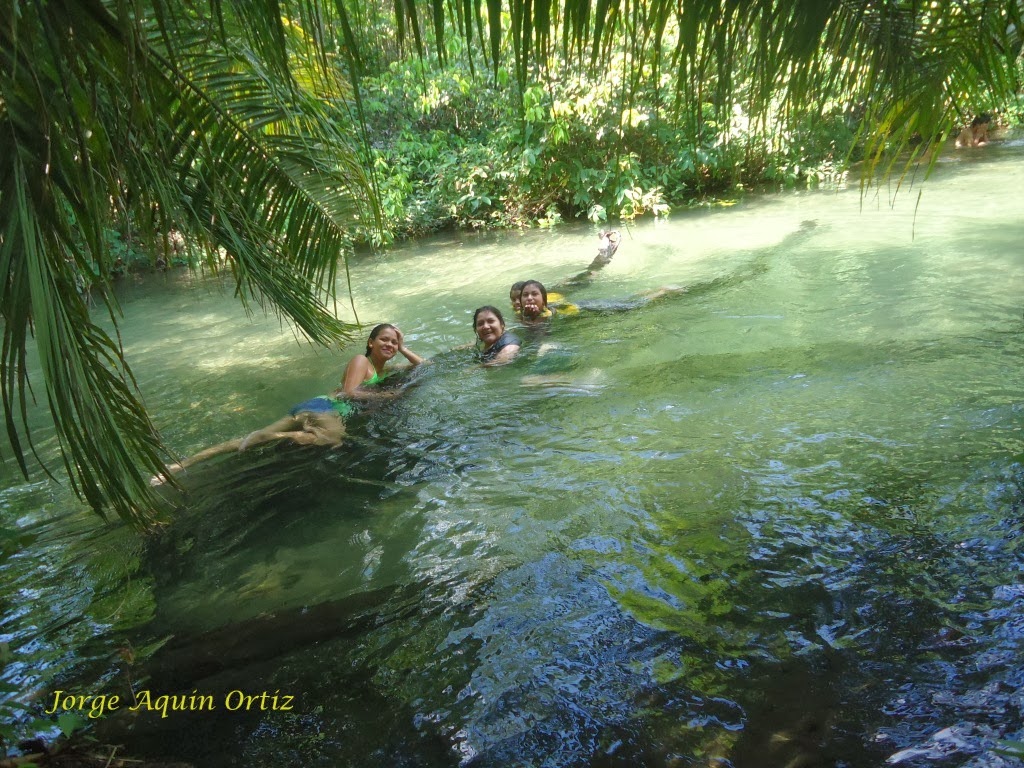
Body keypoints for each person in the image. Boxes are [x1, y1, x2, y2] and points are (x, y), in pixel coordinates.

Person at [153, 324, 423, 481]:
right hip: (326, 409)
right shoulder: (361, 361)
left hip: (315, 405)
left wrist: (403, 348)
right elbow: (351, 393)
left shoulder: (383, 370)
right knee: (333, 440)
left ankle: (179, 466)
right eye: (385, 340)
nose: (390, 345)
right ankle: (284, 435)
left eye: (394, 342)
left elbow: (424, 366)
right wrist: (387, 396)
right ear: (371, 342)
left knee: (251, 440)